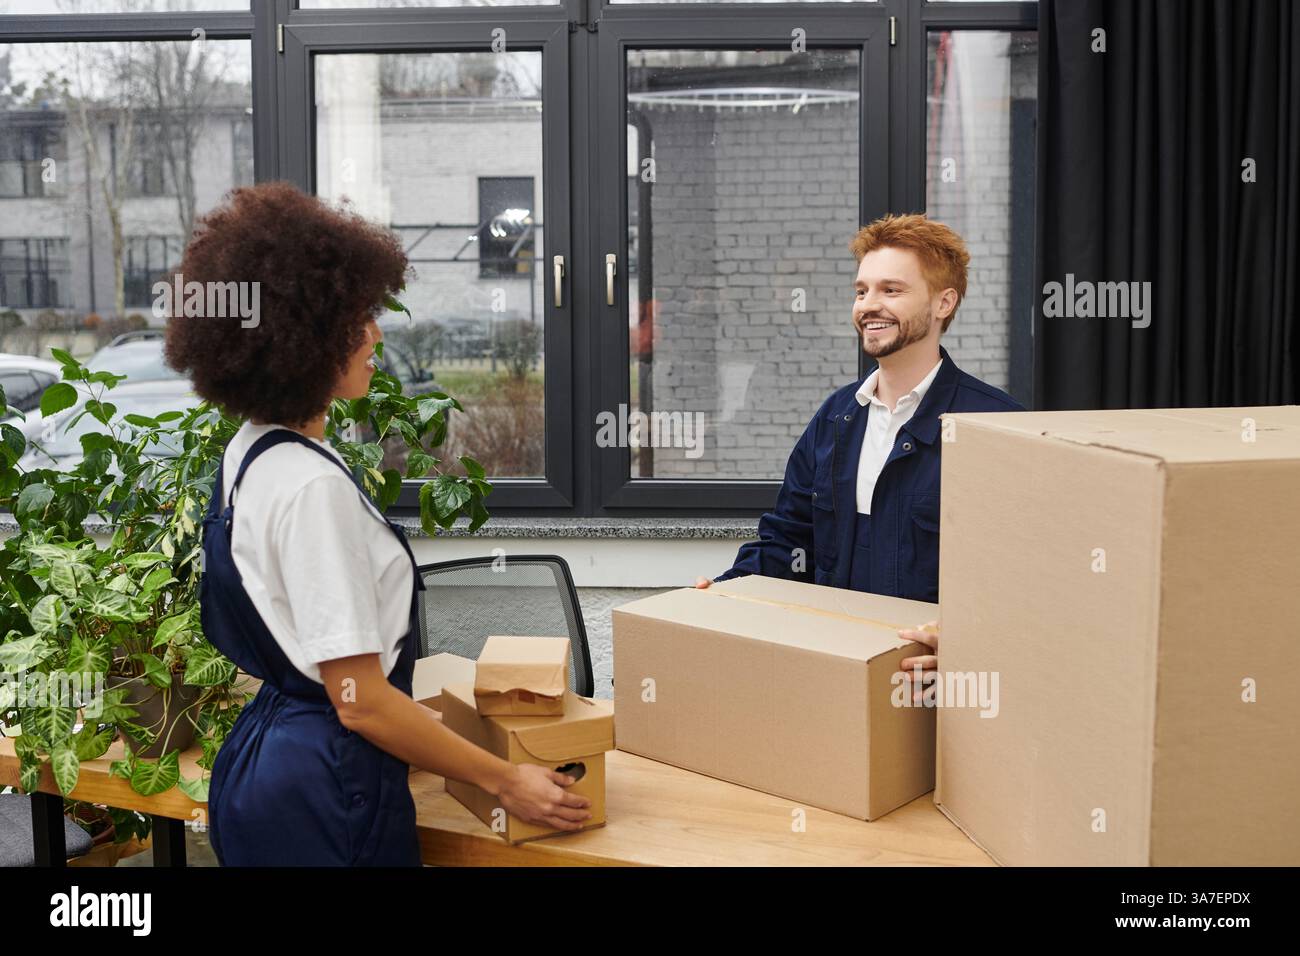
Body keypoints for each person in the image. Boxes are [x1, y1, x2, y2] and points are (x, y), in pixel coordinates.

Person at [164, 182, 589, 865]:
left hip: (264, 765)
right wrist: (507, 781)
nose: (375, 336)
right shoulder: (311, 489)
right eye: (356, 319)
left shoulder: (252, 454)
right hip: (329, 788)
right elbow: (358, 701)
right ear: (301, 339)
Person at [697, 214, 1025, 696]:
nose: (870, 305)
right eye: (861, 291)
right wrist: (725, 593)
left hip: (942, 694)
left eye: (891, 290)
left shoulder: (996, 428)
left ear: (943, 302)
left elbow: (1028, 578)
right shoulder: (835, 418)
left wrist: (972, 646)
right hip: (840, 677)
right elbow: (790, 539)